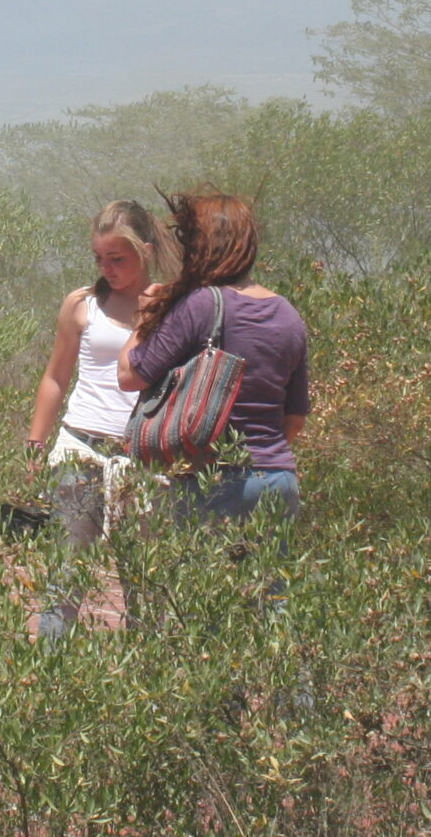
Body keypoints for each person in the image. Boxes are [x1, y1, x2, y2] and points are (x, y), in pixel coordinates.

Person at [119, 192, 309, 523]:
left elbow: (130, 375)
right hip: (276, 479)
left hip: (210, 480)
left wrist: (144, 319)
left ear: (201, 247)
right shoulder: (288, 315)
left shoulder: (202, 304)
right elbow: (294, 420)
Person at [25, 201, 179, 562]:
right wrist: (35, 444)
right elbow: (56, 377)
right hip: (80, 447)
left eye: (117, 259)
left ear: (145, 252)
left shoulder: (172, 306)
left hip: (143, 457)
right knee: (66, 570)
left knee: (144, 574)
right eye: (99, 259)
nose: (106, 269)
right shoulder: (82, 304)